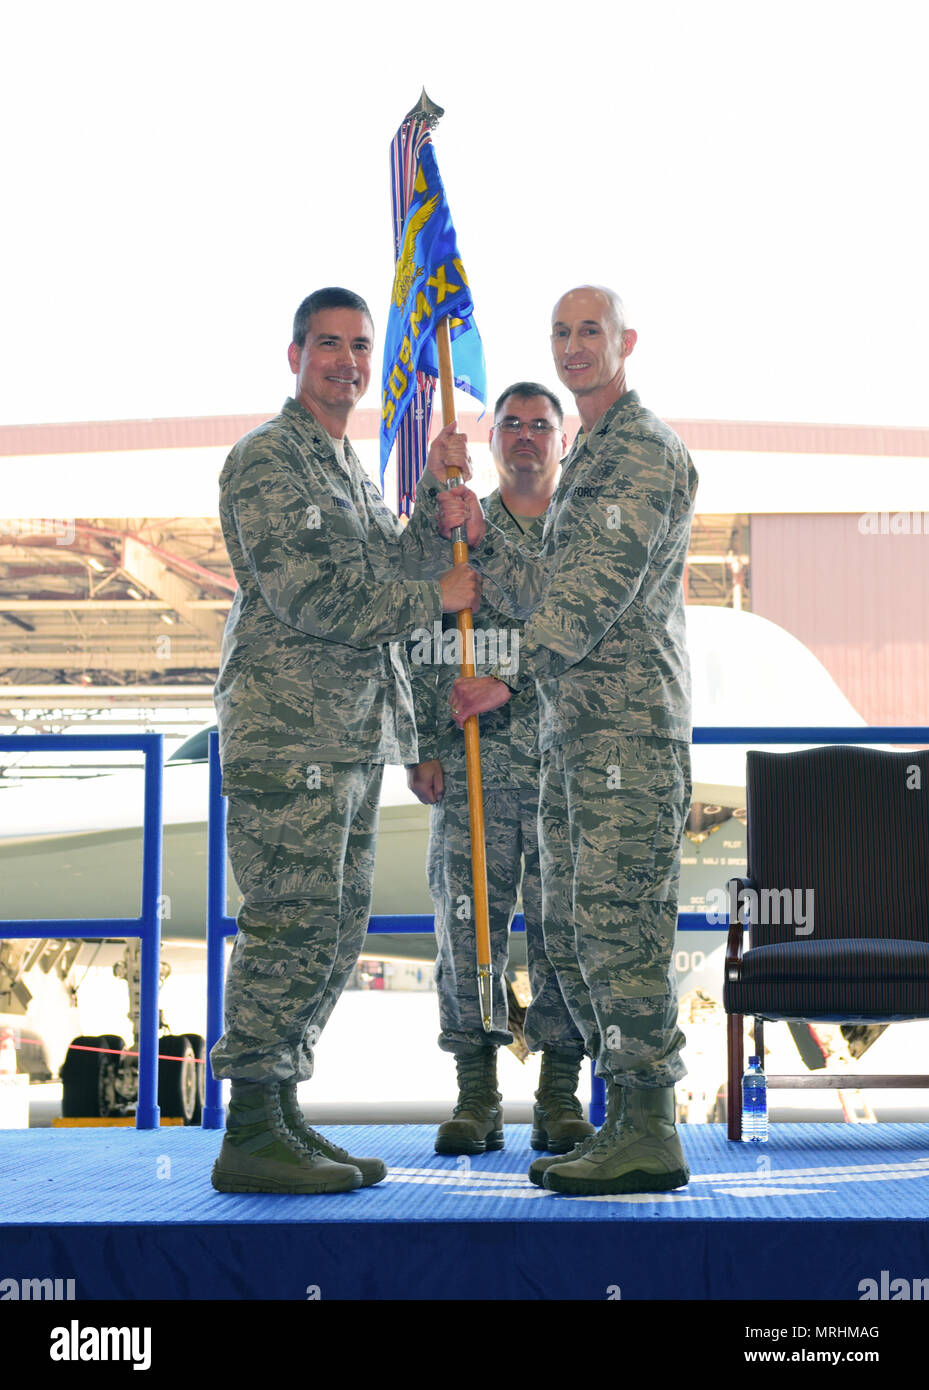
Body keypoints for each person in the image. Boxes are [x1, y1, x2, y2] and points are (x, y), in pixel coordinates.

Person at [210, 286, 481, 1194]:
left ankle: (280, 1109)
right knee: (289, 922)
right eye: (328, 345)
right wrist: (431, 598)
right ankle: (248, 1127)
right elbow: (310, 599)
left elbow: (392, 574)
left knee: (332, 928)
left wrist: (433, 503)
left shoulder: (346, 467)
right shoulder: (267, 462)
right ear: (294, 357)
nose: (348, 362)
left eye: (359, 347)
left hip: (353, 736)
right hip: (289, 739)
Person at [430, 285, 698, 1195]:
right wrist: (482, 539)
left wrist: (510, 674)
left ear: (626, 342)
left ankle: (650, 1128)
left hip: (627, 734)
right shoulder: (590, 456)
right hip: (579, 739)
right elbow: (548, 579)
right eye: (561, 333)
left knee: (622, 927)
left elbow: (593, 596)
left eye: (591, 331)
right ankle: (620, 1119)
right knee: (580, 928)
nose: (575, 346)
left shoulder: (642, 453)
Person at [406, 382, 594, 1157]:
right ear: (490, 441)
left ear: (561, 438)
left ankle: (558, 1093)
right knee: (468, 926)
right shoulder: (457, 526)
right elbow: (423, 627)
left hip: (563, 763)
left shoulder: (582, 531)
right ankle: (475, 1092)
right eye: (509, 425)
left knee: (564, 929)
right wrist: (421, 738)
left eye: (538, 426)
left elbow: (582, 626)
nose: (523, 437)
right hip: (472, 760)